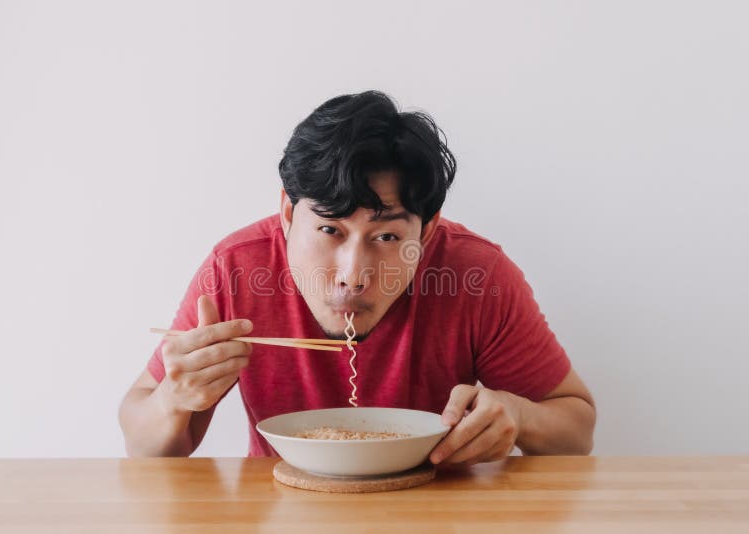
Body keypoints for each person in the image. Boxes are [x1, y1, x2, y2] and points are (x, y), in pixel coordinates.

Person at [118, 90, 596, 466]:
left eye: (387, 237)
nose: (353, 274)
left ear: (426, 230)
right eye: (329, 230)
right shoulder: (236, 268)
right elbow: (145, 446)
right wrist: (173, 400)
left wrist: (517, 415)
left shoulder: (477, 274)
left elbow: (577, 432)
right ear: (287, 213)